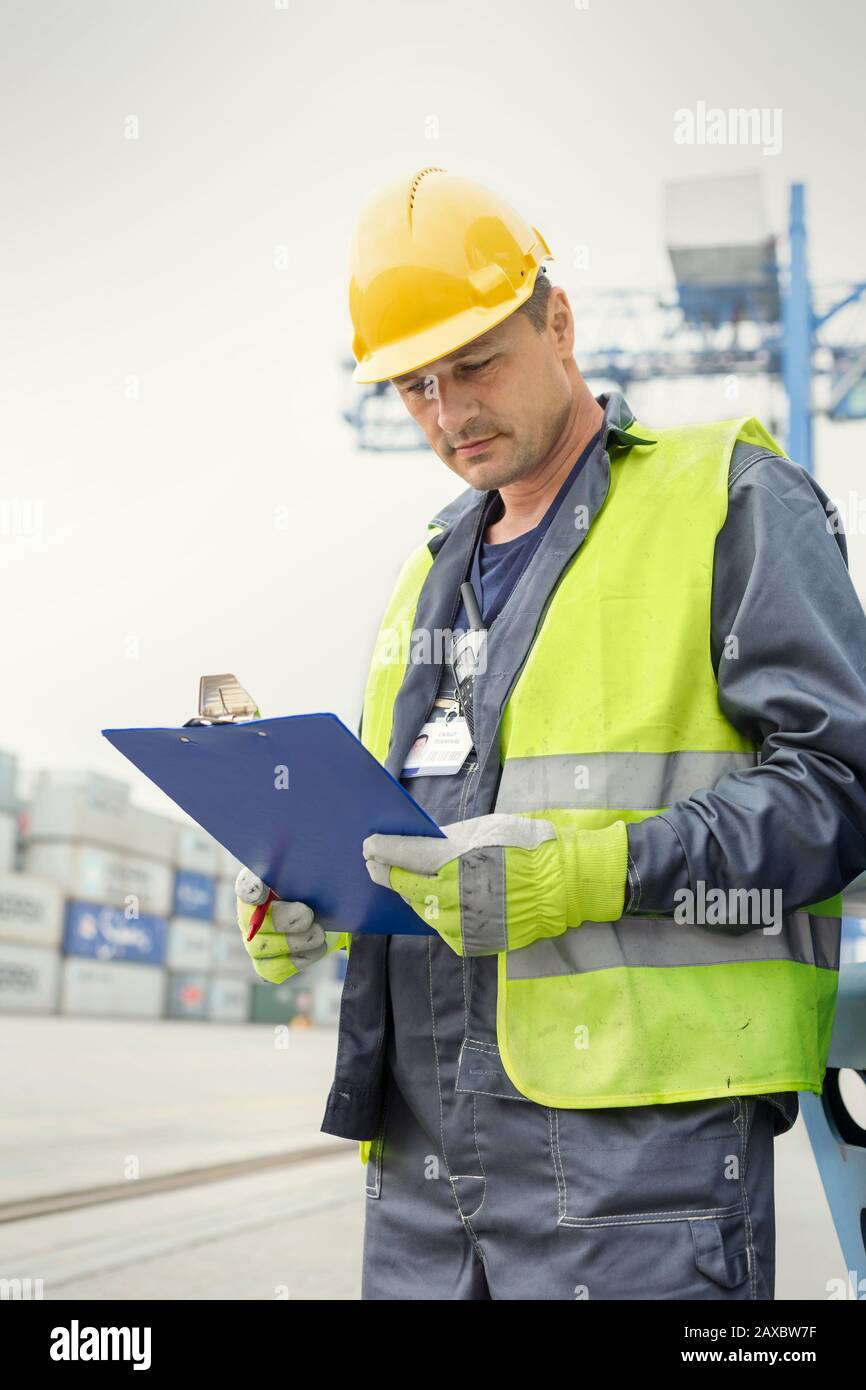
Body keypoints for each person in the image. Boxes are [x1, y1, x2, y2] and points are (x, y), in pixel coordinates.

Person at [235, 169, 866, 1300]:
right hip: (420, 1157)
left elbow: (839, 785)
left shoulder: (726, 498)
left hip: (643, 1153)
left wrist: (599, 871)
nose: (448, 413)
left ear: (557, 322)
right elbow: (415, 843)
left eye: (474, 363)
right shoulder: (424, 575)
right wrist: (315, 896)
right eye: (415, 386)